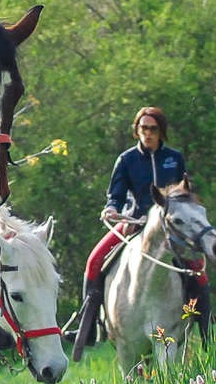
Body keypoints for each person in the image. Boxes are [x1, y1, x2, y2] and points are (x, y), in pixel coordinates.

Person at [69, 106, 208, 359]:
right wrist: (112, 209)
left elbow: (183, 194)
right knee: (94, 261)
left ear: (161, 131)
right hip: (133, 222)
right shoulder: (126, 160)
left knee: (197, 269)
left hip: (168, 228)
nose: (148, 133)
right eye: (143, 128)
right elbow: (115, 195)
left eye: (153, 129)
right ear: (137, 131)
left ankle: (206, 327)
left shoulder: (174, 158)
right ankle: (90, 327)